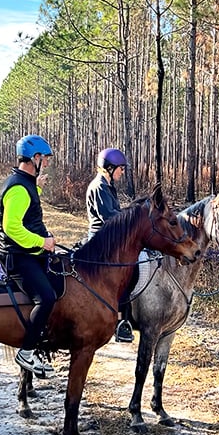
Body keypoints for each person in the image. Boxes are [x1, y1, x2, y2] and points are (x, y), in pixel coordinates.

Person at [0, 134, 57, 378]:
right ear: (35, 158)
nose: (48, 163)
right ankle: (27, 352)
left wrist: (38, 186)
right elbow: (12, 227)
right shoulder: (19, 188)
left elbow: (28, 208)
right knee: (47, 298)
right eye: (46, 158)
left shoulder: (26, 183)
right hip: (19, 257)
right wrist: (43, 242)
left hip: (28, 253)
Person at [85, 147, 135, 343]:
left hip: (110, 240)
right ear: (110, 168)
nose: (122, 172)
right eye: (121, 169)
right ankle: (121, 321)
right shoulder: (99, 187)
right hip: (101, 242)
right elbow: (109, 218)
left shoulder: (107, 187)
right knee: (125, 273)